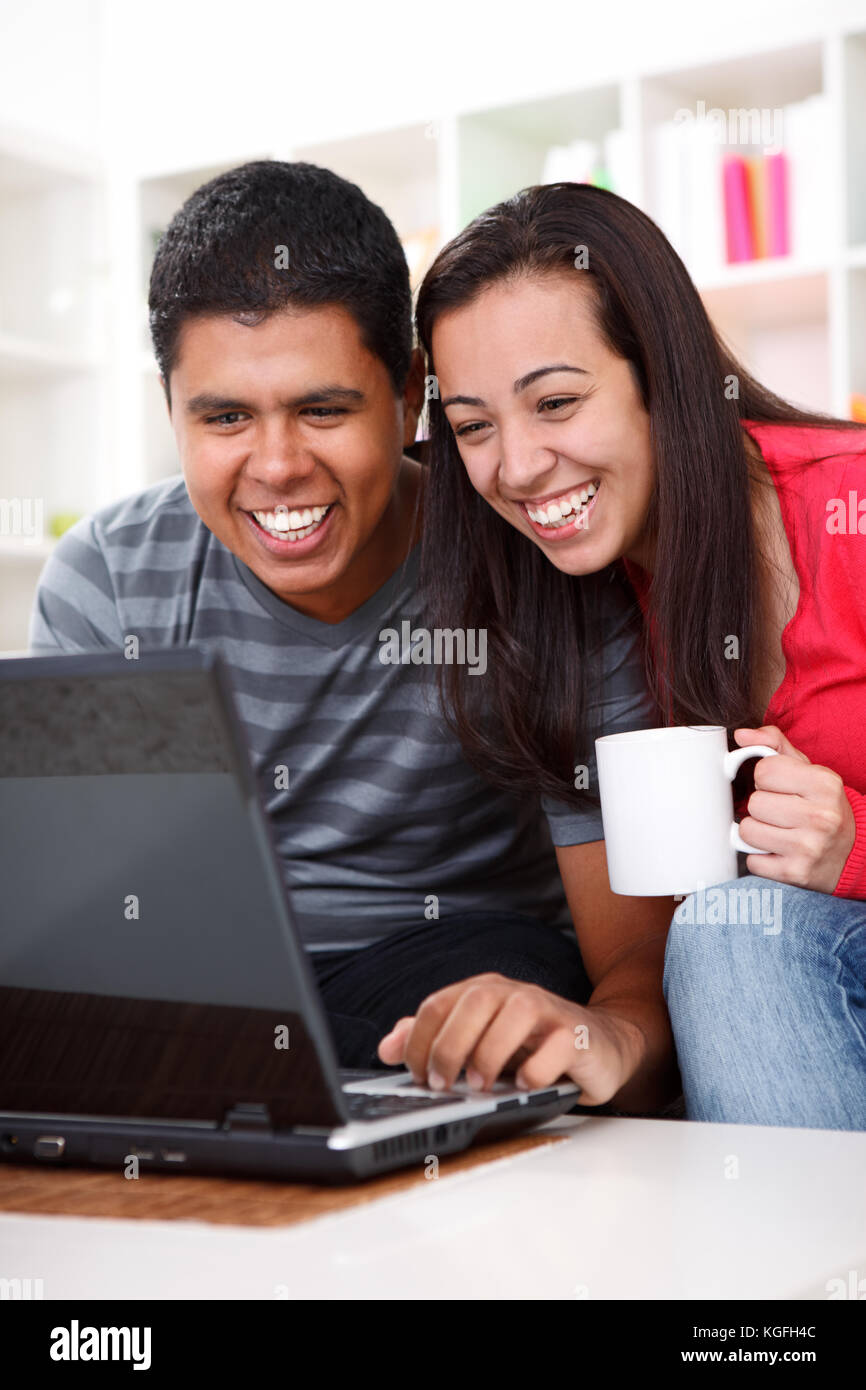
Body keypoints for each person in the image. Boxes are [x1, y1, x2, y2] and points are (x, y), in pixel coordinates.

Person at [29, 162, 679, 1112]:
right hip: (212, 998)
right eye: (224, 418)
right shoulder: (111, 581)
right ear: (170, 407)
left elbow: (635, 963)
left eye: (323, 410)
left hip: (450, 980)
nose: (279, 467)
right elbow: (90, 918)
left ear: (410, 392)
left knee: (497, 973)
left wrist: (598, 1033)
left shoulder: (536, 564)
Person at [415, 180, 866, 1130]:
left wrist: (850, 846)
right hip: (784, 1017)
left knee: (732, 936)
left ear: (663, 376)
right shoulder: (563, 606)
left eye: (557, 401)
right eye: (473, 427)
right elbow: (643, 949)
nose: (519, 466)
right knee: (726, 938)